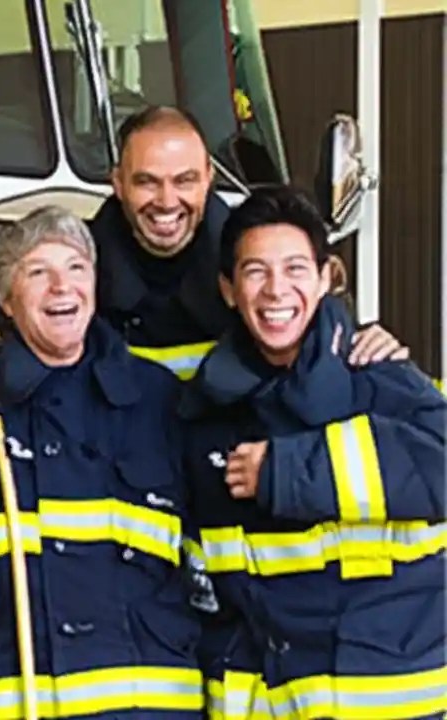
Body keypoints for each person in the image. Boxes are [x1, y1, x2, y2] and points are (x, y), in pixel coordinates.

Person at [0, 206, 204, 719]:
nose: (62, 287)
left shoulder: (161, 401)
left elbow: (207, 554)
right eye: (38, 272)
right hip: (13, 697)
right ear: (6, 299)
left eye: (76, 268)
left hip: (152, 705)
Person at [178, 186, 445, 718]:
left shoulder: (383, 379)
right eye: (256, 272)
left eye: (296, 269)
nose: (277, 290)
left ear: (326, 278)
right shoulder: (204, 420)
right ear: (229, 290)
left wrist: (288, 472)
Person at [0, 106, 406, 385]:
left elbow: (308, 313)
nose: (167, 202)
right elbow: (19, 329)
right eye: (148, 182)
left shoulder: (250, 258)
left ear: (209, 177)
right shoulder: (77, 270)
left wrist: (364, 337)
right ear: (118, 184)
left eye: (185, 180)